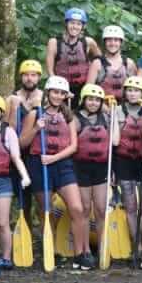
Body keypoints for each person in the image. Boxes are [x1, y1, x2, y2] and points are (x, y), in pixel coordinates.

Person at [20, 76, 93, 269]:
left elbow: (73, 146)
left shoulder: (69, 116)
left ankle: (80, 254)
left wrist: (54, 158)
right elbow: (22, 143)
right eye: (55, 92)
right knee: (46, 211)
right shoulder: (34, 114)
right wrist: (36, 128)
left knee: (77, 208)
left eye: (62, 93)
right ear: (48, 93)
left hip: (62, 163)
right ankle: (50, 251)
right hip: (39, 164)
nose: (58, 96)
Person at [0, 95, 31, 270]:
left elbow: (16, 157)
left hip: (3, 181)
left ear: (1, 113)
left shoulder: (8, 132)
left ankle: (6, 256)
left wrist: (25, 176)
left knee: (1, 222)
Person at [73, 84, 119, 257]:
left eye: (97, 100)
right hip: (81, 168)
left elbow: (114, 142)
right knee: (84, 209)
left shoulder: (107, 118)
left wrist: (113, 116)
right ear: (84, 100)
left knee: (100, 209)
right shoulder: (76, 119)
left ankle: (102, 248)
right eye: (90, 99)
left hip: (101, 168)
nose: (93, 103)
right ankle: (85, 249)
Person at [112, 76, 142, 256]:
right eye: (130, 90)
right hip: (124, 161)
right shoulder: (117, 110)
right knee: (130, 206)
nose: (133, 93)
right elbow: (114, 141)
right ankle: (137, 245)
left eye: (136, 90)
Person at [7, 59, 44, 229]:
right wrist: (16, 108)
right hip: (19, 154)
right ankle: (27, 234)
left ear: (38, 77)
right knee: (24, 200)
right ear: (21, 77)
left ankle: (46, 235)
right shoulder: (12, 99)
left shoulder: (44, 95)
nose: (30, 78)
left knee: (42, 198)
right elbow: (9, 129)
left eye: (34, 75)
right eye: (27, 75)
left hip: (39, 152)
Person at [46, 7, 101, 97]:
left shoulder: (88, 42)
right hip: (61, 88)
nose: (75, 27)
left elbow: (101, 62)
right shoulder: (54, 42)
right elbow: (50, 70)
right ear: (66, 24)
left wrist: (91, 84)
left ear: (82, 26)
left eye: (78, 24)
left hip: (84, 87)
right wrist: (58, 88)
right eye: (72, 23)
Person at [86, 25, 137, 101]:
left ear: (121, 42)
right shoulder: (97, 64)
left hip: (124, 106)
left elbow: (137, 90)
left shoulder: (129, 63)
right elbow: (88, 90)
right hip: (101, 105)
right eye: (109, 40)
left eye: (116, 40)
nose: (112, 43)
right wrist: (102, 107)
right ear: (105, 42)